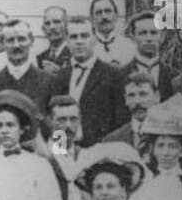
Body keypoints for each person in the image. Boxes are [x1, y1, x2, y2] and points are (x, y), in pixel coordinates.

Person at [50, 15, 128, 147]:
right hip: (65, 151)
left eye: (84, 36)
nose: (79, 41)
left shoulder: (114, 75)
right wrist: (60, 151)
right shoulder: (59, 77)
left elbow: (121, 122)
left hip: (99, 153)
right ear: (67, 41)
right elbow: (55, 120)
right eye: (74, 37)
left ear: (94, 39)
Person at [0, 19, 54, 117]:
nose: (16, 45)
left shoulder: (49, 81)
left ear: (31, 40)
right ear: (2, 43)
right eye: (10, 40)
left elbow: (57, 126)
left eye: (21, 39)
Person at [121, 10, 174, 99]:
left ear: (162, 37)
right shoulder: (121, 76)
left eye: (153, 33)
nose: (148, 38)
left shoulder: (173, 76)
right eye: (143, 33)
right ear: (133, 37)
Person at [101, 70, 159, 147]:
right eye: (131, 95)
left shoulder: (170, 133)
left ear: (157, 96)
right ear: (125, 99)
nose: (137, 101)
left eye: (143, 94)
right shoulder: (112, 141)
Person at [89, 0, 136, 67]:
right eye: (98, 12)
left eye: (108, 11)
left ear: (116, 15)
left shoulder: (129, 46)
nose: (104, 16)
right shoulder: (87, 47)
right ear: (92, 18)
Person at [37, 6, 70, 71]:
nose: (52, 27)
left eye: (56, 22)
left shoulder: (74, 54)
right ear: (43, 29)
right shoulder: (40, 58)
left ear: (66, 25)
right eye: (47, 23)